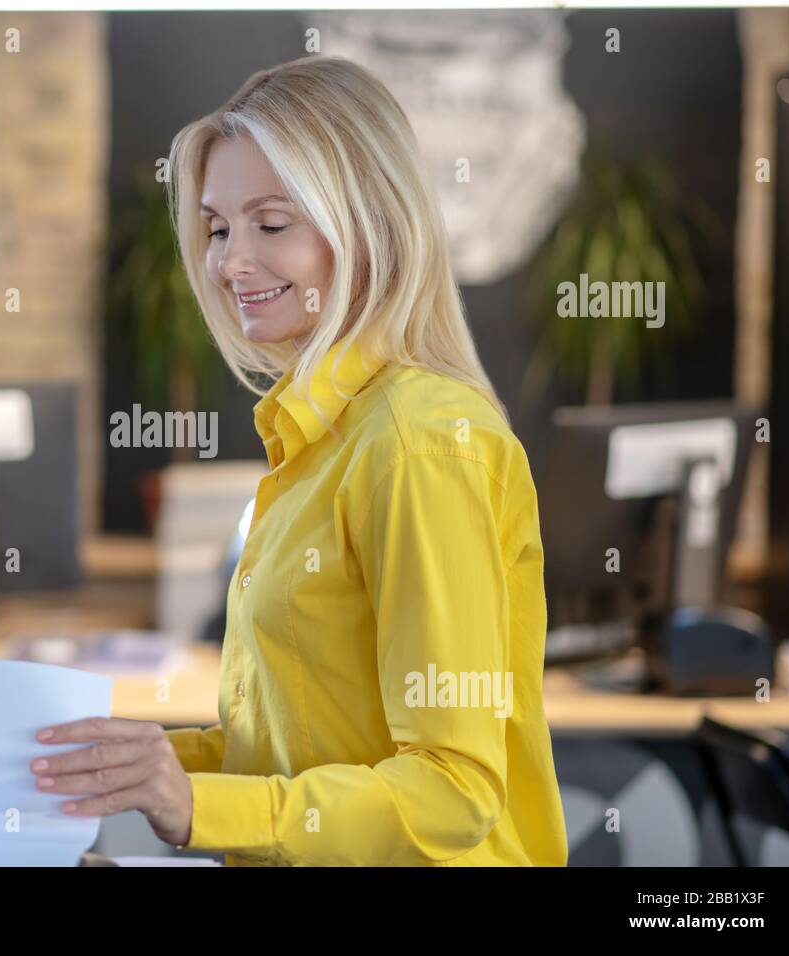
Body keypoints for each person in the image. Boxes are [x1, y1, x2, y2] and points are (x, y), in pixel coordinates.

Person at [30, 54, 568, 866]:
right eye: (217, 228)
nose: (230, 261)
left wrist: (191, 803)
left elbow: (453, 791)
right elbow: (300, 751)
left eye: (271, 224)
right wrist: (147, 768)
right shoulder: (317, 438)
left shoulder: (419, 445)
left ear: (368, 227)